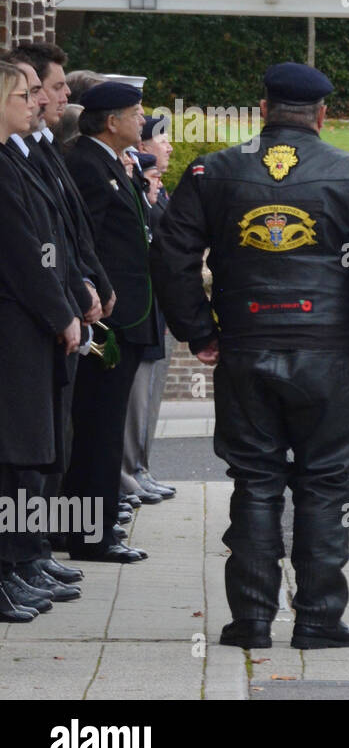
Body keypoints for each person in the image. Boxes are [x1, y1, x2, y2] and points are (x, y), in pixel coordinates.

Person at [150, 62, 349, 649]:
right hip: (325, 352)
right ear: (321, 115)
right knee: (325, 483)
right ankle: (318, 617)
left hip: (245, 346)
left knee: (255, 481)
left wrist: (200, 331)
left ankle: (251, 620)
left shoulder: (210, 172)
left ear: (262, 110)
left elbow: (171, 254)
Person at [0, 60, 84, 620]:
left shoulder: (18, 156)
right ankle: (10, 566)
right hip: (15, 326)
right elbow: (22, 251)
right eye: (23, 94)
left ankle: (19, 561)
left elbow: (57, 234)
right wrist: (61, 310)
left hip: (29, 325)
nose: (35, 103)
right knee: (12, 456)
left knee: (30, 452)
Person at [63, 81, 157, 564]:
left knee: (106, 425)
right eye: (135, 113)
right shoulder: (87, 163)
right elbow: (84, 240)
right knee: (98, 427)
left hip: (131, 311)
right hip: (109, 316)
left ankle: (92, 522)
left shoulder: (113, 164)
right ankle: (89, 534)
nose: (144, 120)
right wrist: (93, 292)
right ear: (110, 121)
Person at [119, 118, 178, 504]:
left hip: (156, 307)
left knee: (148, 399)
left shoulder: (156, 187)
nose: (170, 147)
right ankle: (126, 473)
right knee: (132, 402)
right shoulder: (136, 185)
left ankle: (139, 467)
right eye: (162, 138)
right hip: (136, 309)